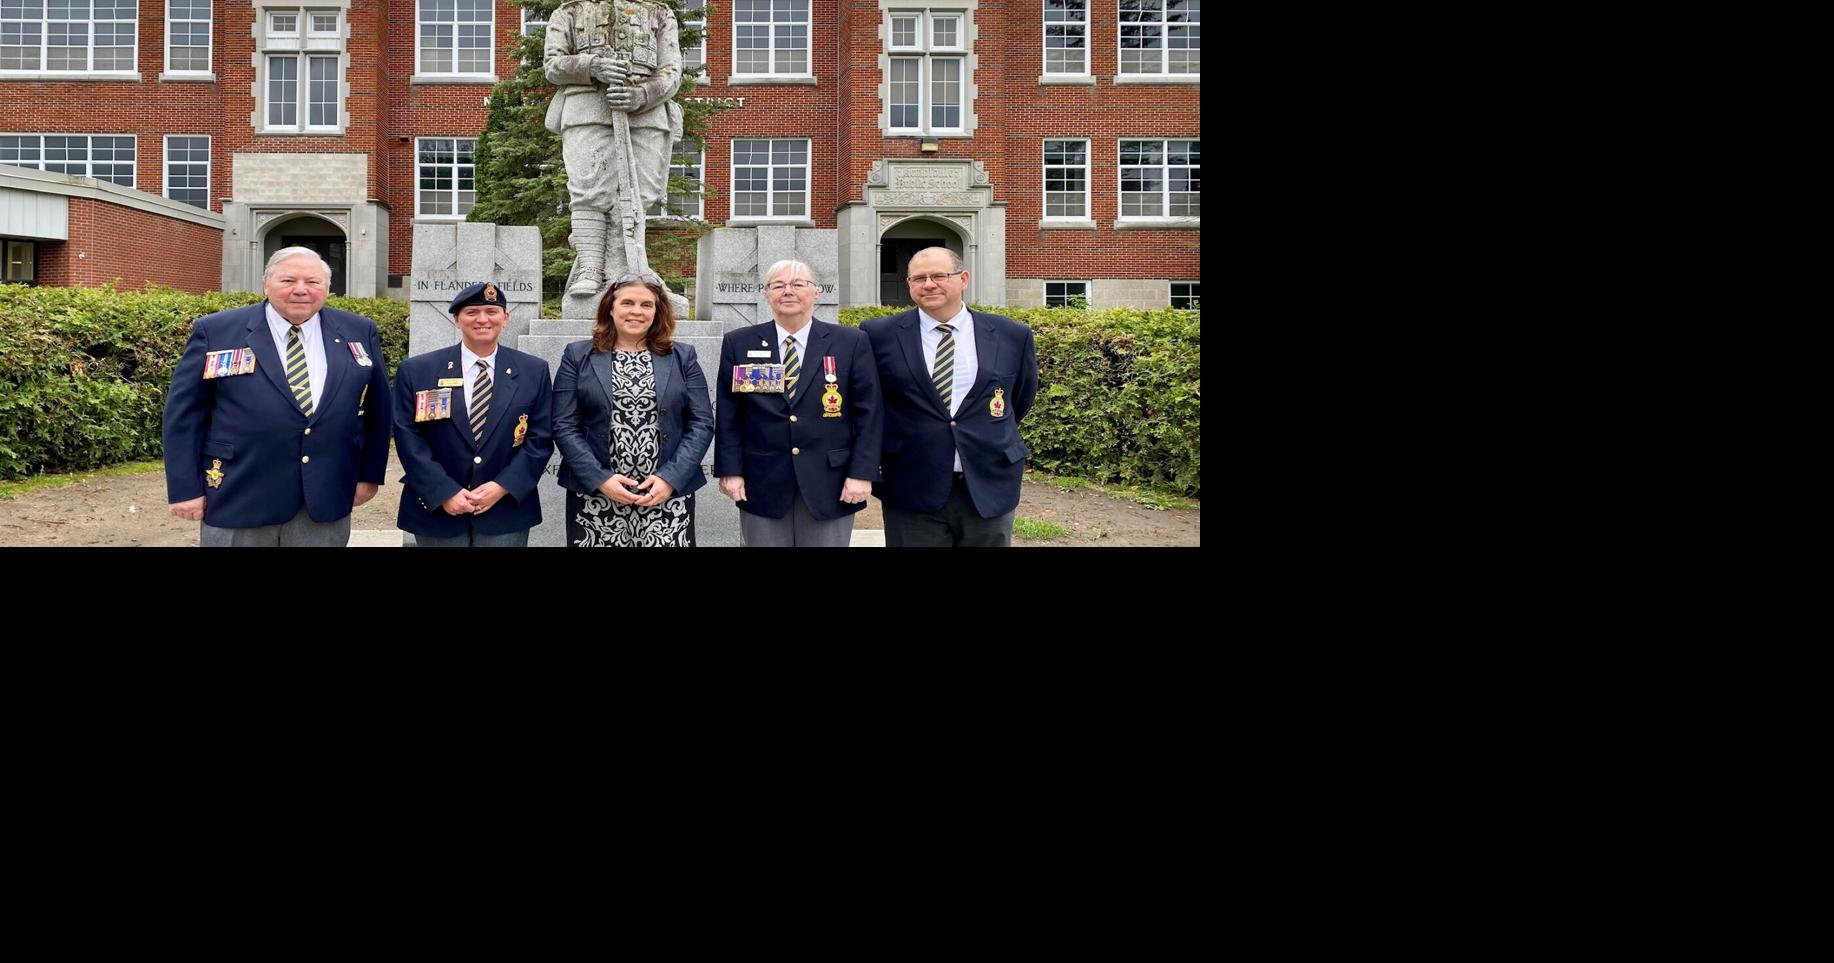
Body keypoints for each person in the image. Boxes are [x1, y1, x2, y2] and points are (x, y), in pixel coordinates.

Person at [163, 246, 391, 546]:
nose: (301, 290)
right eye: (288, 281)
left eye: (312, 282)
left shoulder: (358, 330)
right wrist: (184, 489)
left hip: (324, 496)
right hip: (240, 493)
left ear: (327, 288)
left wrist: (369, 475)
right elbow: (184, 415)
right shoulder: (217, 331)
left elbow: (378, 410)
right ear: (265, 284)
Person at [861, 247, 1039, 547]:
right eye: (918, 278)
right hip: (911, 484)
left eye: (939, 276)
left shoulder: (1012, 335)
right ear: (909, 285)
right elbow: (870, 403)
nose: (928, 284)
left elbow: (1018, 398)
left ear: (963, 279)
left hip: (988, 483)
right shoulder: (878, 335)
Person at [714, 260, 882, 547]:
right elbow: (730, 414)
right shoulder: (739, 343)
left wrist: (862, 473)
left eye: (797, 284)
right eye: (778, 285)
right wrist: (730, 470)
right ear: (767, 294)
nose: (787, 291)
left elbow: (869, 414)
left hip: (833, 482)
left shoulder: (851, 342)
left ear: (816, 292)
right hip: (762, 480)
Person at [552, 273, 712, 546]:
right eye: (627, 303)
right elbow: (564, 424)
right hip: (597, 499)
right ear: (610, 308)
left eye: (646, 305)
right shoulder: (577, 356)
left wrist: (670, 479)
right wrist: (600, 479)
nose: (636, 311)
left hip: (665, 498)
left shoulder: (683, 357)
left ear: (657, 311)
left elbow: (701, 423)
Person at [392, 281, 554, 547]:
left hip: (505, 509)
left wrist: (502, 486)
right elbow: (408, 437)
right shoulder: (418, 370)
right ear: (457, 320)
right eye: (472, 312)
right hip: (437, 510)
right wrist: (445, 491)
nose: (482, 319)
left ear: (505, 318)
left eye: (491, 312)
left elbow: (541, 436)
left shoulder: (532, 371)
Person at [544, 0, 683, 297]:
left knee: (642, 193)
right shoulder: (569, 11)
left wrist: (642, 95)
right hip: (586, 110)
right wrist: (592, 66)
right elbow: (553, 65)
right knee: (588, 191)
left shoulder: (659, 12)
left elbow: (671, 71)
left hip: (647, 114)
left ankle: (635, 268)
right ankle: (592, 268)